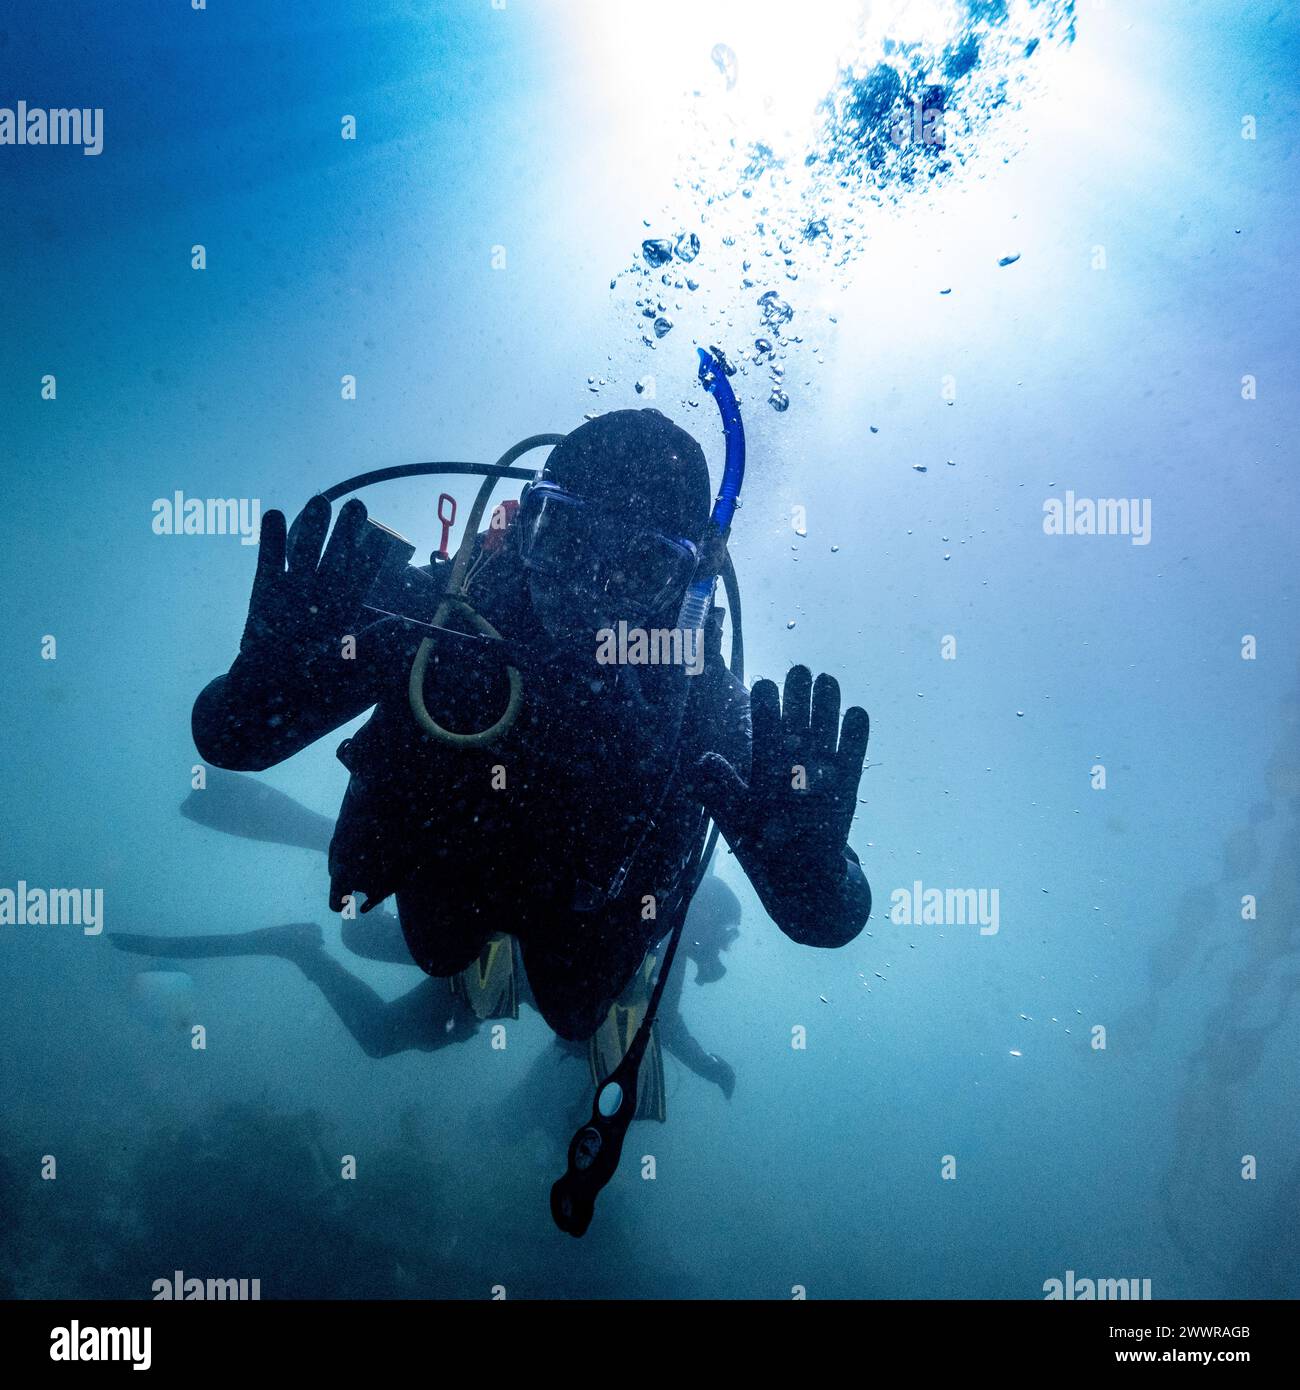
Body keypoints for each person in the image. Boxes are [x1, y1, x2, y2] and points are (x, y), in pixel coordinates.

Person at [190, 408, 872, 1045]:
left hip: (588, 912)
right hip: (447, 869)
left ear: (686, 587)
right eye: (566, 536)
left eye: (640, 564)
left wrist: (813, 880)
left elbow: (832, 919)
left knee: (575, 1014)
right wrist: (259, 691)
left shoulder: (700, 701)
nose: (588, 587)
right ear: (524, 526)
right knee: (437, 951)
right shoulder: (441, 616)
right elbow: (231, 738)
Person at [113, 770, 739, 1102]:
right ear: (703, 912)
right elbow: (660, 1021)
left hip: (480, 948)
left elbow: (646, 1018)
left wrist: (706, 1062)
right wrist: (705, 1062)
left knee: (373, 932)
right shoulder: (665, 934)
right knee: (382, 1032)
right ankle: (305, 944)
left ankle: (359, 863)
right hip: (484, 972)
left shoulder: (656, 922)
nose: (726, 947)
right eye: (727, 931)